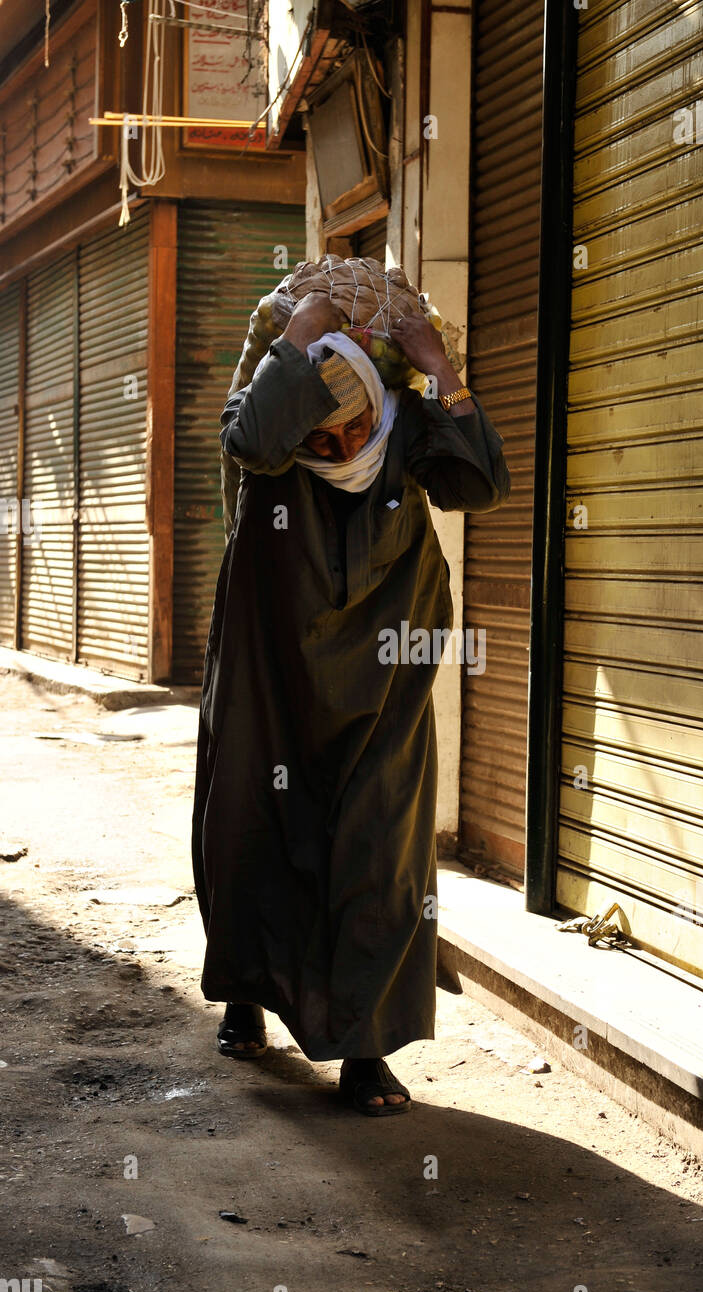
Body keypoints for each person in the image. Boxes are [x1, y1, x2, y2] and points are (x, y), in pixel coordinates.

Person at [190, 288, 510, 1115]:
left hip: (386, 684)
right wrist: (295, 341)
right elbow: (250, 436)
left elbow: (479, 485)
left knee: (379, 853)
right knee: (257, 832)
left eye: (354, 429)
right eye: (319, 436)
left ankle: (368, 1051)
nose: (338, 445)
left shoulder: (408, 436)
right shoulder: (268, 441)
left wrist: (438, 367)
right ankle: (246, 998)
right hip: (273, 678)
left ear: (383, 411)